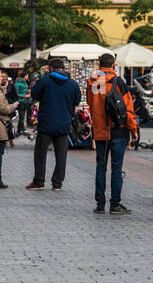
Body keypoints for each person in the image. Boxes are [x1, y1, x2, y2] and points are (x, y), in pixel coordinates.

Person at [86, 52, 137, 215]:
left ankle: (100, 204)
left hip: (101, 130)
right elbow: (128, 108)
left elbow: (90, 103)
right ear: (114, 65)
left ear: (99, 64)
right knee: (116, 167)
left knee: (101, 166)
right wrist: (133, 129)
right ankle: (115, 204)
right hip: (118, 130)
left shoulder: (96, 80)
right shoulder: (119, 82)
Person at [28, 57, 79, 190]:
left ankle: (39, 181)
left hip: (46, 122)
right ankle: (57, 183)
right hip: (64, 123)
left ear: (50, 68)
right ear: (63, 68)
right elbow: (77, 100)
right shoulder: (72, 83)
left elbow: (34, 94)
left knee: (40, 153)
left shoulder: (45, 80)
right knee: (61, 155)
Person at [13, 71, 31, 137]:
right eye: (27, 75)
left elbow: (24, 90)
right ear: (25, 76)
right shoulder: (18, 83)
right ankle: (19, 130)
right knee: (21, 116)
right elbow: (16, 93)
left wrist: (28, 91)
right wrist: (24, 95)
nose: (28, 77)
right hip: (21, 101)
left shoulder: (24, 82)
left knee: (23, 116)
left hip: (25, 101)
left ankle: (22, 128)